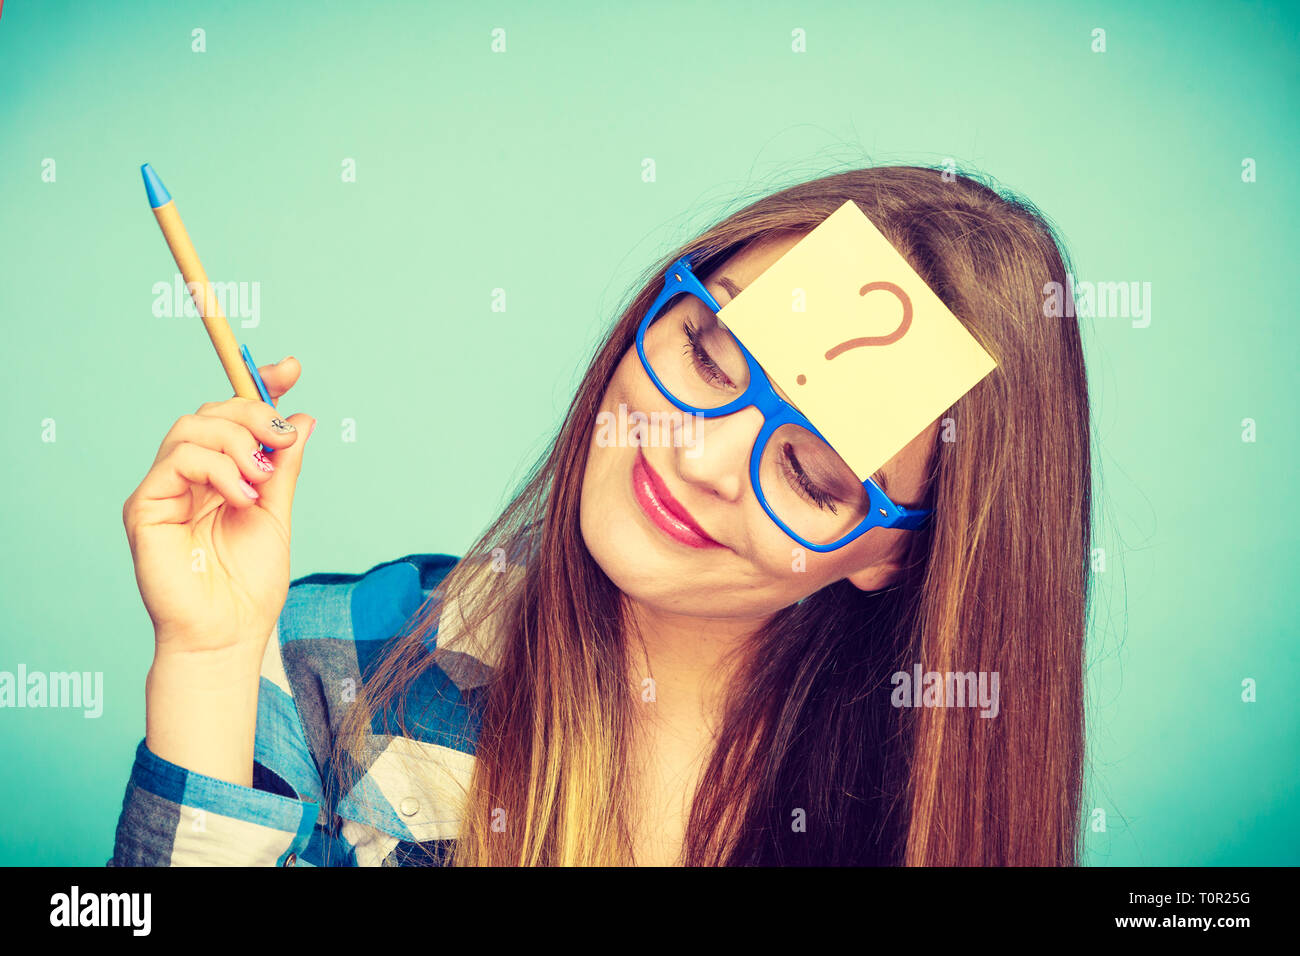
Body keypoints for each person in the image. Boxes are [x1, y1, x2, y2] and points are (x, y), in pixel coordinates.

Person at [111, 165, 1091, 867]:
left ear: (898, 557)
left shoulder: (907, 803)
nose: (695, 454)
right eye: (708, 354)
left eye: (808, 471)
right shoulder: (334, 667)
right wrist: (205, 662)